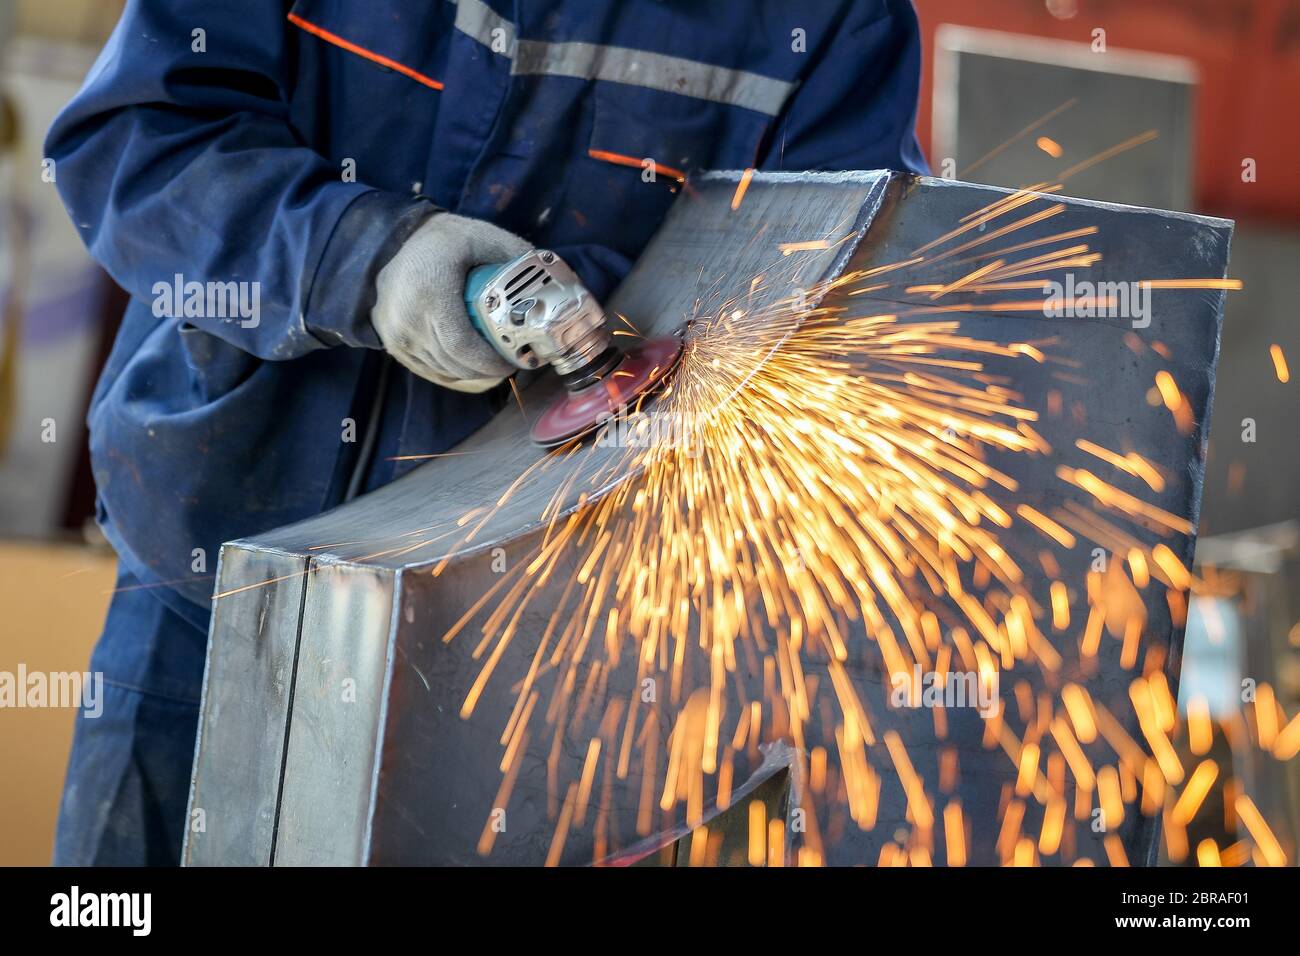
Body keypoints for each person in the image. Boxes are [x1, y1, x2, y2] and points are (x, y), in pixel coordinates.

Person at [46, 0, 927, 865]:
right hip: (209, 586)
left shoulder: (833, 20)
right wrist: (366, 258)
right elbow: (136, 143)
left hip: (537, 665)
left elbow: (838, 329)